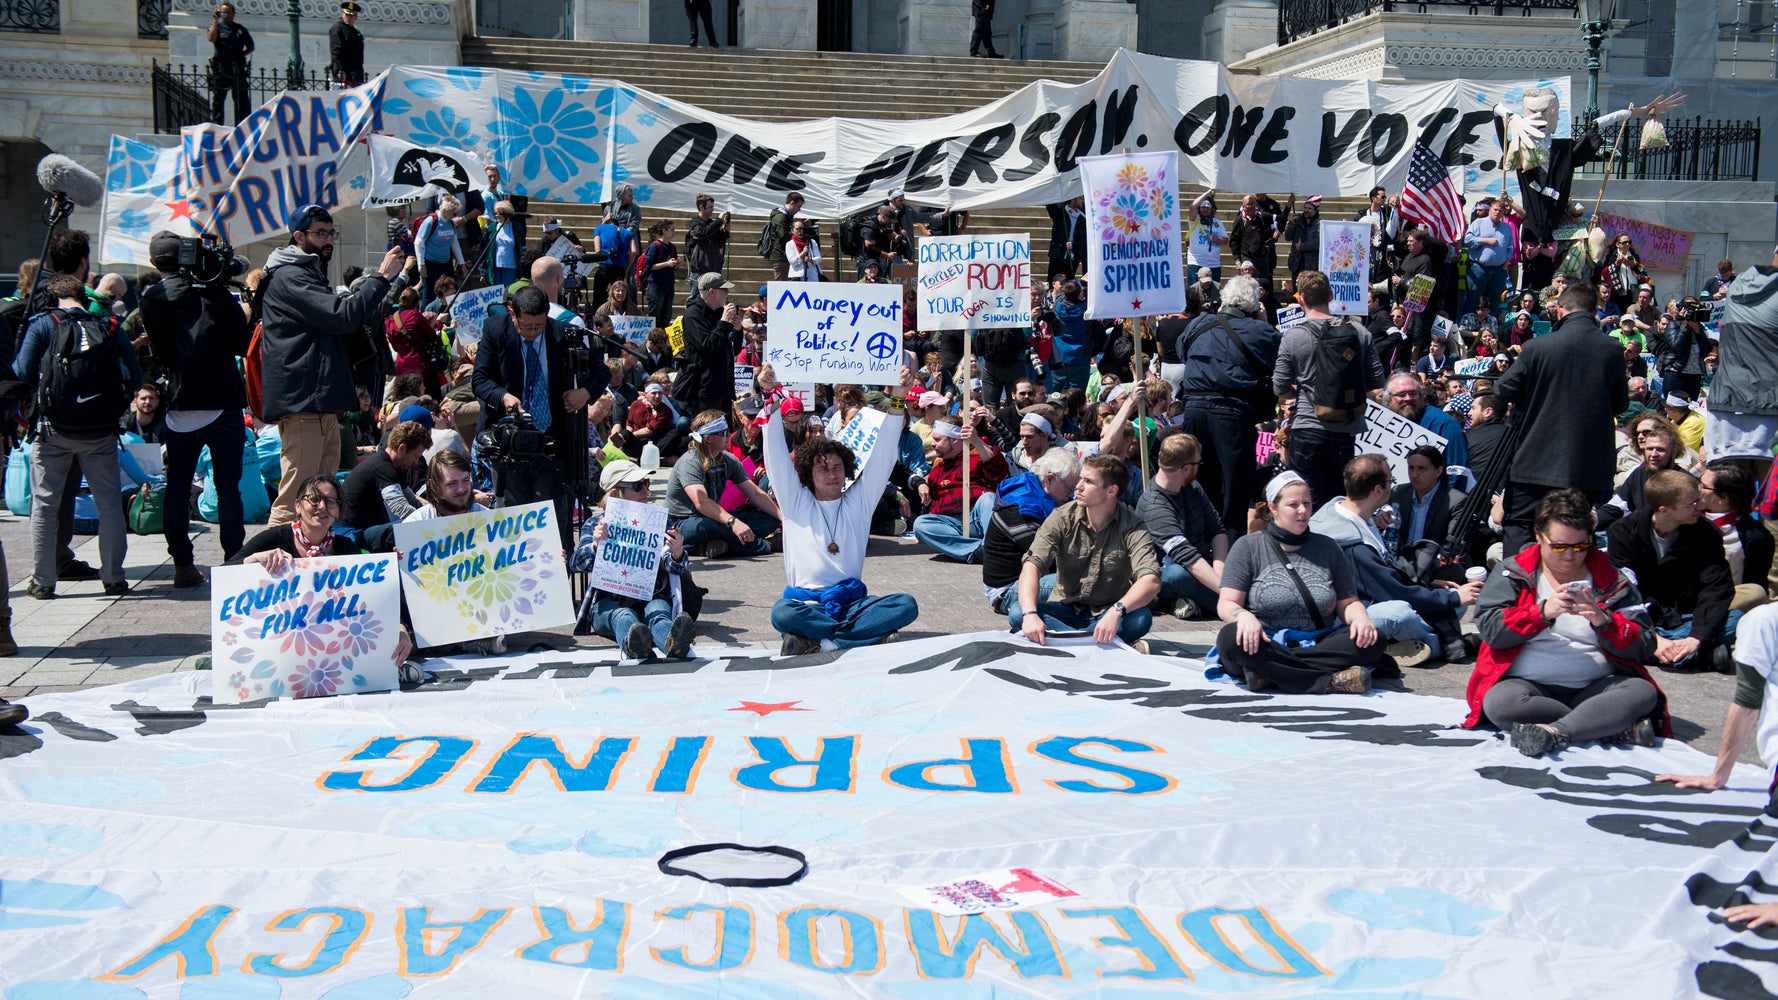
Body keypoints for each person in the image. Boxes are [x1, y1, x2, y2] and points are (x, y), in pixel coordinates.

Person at [1464, 488, 1664, 756]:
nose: (1570, 555)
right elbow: (1491, 631)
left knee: (1642, 692)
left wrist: (1605, 622)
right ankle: (1601, 724)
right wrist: (1542, 613)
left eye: (1581, 546)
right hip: (1527, 686)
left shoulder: (1612, 578)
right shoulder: (1513, 571)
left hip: (1598, 684)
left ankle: (1558, 731)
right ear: (1538, 535)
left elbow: (1645, 645)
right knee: (1499, 705)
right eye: (1558, 546)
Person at [260, 206, 404, 527]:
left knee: (323, 494)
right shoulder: (290, 276)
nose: (328, 240)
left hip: (321, 400)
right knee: (296, 496)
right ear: (298, 237)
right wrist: (380, 278)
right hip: (304, 400)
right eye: (320, 233)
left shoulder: (308, 271)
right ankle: (274, 567)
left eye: (330, 232)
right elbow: (342, 316)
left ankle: (317, 558)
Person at [13, 273, 141, 599]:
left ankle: (43, 581)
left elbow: (21, 372)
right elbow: (135, 376)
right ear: (84, 298)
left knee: (44, 505)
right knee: (109, 504)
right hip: (100, 433)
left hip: (53, 430)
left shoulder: (43, 324)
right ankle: (113, 577)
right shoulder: (109, 326)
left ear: (55, 298)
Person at [762, 396, 918, 653]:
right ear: (808, 474)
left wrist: (898, 400)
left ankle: (823, 642)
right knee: (782, 613)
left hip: (851, 603)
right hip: (806, 605)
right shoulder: (794, 502)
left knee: (905, 605)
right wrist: (773, 410)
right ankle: (860, 635)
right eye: (823, 469)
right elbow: (776, 460)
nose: (832, 474)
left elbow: (884, 457)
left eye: (837, 467)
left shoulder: (859, 502)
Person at [139, 231, 251, 585]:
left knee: (177, 485)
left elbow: (160, 349)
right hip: (221, 401)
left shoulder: (151, 298)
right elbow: (241, 340)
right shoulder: (212, 293)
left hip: (179, 402)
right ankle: (234, 560)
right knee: (228, 488)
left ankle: (182, 565)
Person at [1215, 472, 1385, 694]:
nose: (1303, 511)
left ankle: (1270, 674)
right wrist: (1243, 616)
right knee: (1230, 640)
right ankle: (1329, 681)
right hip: (1265, 640)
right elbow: (1226, 603)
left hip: (1318, 643)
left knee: (1374, 639)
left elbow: (1347, 603)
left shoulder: (1328, 548)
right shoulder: (1247, 547)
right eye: (1293, 505)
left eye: (1307, 503)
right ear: (1273, 508)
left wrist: (1361, 617)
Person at [1493, 281, 1628, 555]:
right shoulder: (1611, 349)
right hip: (1586, 468)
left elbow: (1503, 389)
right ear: (1594, 312)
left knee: (1520, 533)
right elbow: (1620, 403)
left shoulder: (1538, 347)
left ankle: (1519, 594)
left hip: (1535, 461)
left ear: (1559, 309)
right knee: (1572, 542)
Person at [1311, 453, 1482, 667]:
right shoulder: (1354, 544)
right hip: (1338, 618)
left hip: (1366, 596)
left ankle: (1400, 642)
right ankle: (1447, 645)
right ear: (1377, 490)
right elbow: (1393, 591)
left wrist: (1433, 588)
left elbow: (1387, 573)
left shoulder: (1340, 508)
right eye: (1390, 481)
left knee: (1452, 601)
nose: (1395, 485)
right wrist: (1452, 598)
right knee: (1401, 613)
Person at [471, 286, 604, 549]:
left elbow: (601, 372)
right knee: (513, 520)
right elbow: (480, 379)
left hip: (553, 442)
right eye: (527, 326)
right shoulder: (495, 330)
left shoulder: (562, 333)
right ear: (513, 315)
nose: (533, 332)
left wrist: (584, 393)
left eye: (539, 326)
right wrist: (504, 397)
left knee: (553, 519)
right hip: (511, 442)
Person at [1012, 453, 1161, 650]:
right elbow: (1032, 565)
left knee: (1141, 619)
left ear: (1111, 490)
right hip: (1064, 607)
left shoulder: (1133, 526)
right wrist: (1030, 615)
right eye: (1080, 479)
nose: (1078, 486)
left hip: (1108, 611)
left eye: (1088, 481)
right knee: (1017, 612)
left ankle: (1068, 639)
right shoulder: (1062, 517)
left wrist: (1117, 611)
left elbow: (1151, 579)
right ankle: (1103, 642)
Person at [1273, 269, 1386, 506]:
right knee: (1338, 502)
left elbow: (1279, 385)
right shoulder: (1359, 333)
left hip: (1307, 426)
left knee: (1305, 503)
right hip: (1346, 428)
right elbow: (1377, 379)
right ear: (1331, 295)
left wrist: (1298, 391)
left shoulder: (1293, 336)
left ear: (1300, 299)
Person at [1607, 469, 1738, 672]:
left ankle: (1664, 651)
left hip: (1685, 616)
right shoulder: (1623, 532)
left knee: (1736, 619)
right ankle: (1689, 654)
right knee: (1609, 625)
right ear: (1665, 510)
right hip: (1642, 615)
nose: (1700, 506)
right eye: (1692, 503)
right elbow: (1624, 589)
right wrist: (1653, 636)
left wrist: (1696, 637)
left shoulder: (1705, 532)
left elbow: (1717, 586)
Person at [1177, 274, 1280, 530]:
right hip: (1232, 414)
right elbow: (1278, 365)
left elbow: (1182, 353)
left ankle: (1204, 541)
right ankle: (1229, 548)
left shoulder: (1198, 323)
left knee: (1200, 480)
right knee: (1235, 487)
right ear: (1256, 305)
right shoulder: (1263, 332)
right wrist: (1264, 322)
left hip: (1196, 411)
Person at [570, 459, 699, 658]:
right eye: (638, 486)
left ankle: (675, 644)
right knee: (623, 616)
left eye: (646, 484)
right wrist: (596, 546)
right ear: (615, 493)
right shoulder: (595, 523)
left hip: (650, 594)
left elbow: (674, 566)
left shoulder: (657, 521)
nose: (645, 491)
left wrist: (677, 552)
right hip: (608, 601)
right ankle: (636, 646)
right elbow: (576, 562)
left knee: (659, 615)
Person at [1137, 433, 1229, 620]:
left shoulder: (1193, 487)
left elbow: (1217, 530)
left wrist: (1221, 573)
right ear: (1186, 468)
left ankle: (1195, 600)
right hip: (1170, 571)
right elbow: (1187, 558)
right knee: (1178, 575)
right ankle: (1237, 606)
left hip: (1203, 564)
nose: (1199, 467)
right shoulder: (1155, 506)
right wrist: (1227, 592)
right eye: (1198, 463)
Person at [666, 409, 780, 557]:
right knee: (709, 526)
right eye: (723, 433)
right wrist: (734, 523)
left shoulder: (728, 459)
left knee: (769, 520)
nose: (729, 436)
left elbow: (755, 494)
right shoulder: (690, 461)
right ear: (708, 438)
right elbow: (702, 503)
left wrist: (784, 518)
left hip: (714, 515)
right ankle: (766, 545)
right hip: (682, 522)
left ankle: (709, 546)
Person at [982, 448, 1080, 616]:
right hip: (1007, 591)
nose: (1072, 495)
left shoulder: (1038, 495)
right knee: (1084, 581)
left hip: (1029, 579)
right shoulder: (1022, 508)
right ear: (1049, 479)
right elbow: (1051, 557)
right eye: (1069, 489)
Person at [912, 413, 1007, 564]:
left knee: (987, 498)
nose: (933, 444)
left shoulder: (977, 455)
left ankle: (994, 548)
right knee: (920, 524)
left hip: (977, 518)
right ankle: (976, 551)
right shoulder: (937, 468)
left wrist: (975, 440)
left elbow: (998, 471)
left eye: (937, 440)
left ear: (955, 439)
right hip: (952, 524)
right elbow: (932, 507)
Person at [340, 417, 430, 548]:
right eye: (415, 456)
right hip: (355, 532)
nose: (416, 462)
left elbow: (412, 500)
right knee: (410, 526)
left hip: (369, 527)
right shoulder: (383, 468)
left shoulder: (394, 467)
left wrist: (431, 513)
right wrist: (429, 524)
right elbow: (401, 509)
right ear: (402, 449)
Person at [673, 272, 741, 418]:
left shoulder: (718, 312)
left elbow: (734, 348)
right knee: (708, 432)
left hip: (722, 386)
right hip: (703, 388)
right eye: (723, 289)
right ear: (711, 291)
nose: (727, 293)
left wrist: (737, 329)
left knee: (724, 433)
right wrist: (723, 323)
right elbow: (707, 346)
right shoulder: (693, 314)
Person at [1384, 373, 1468, 471]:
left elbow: (1458, 471)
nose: (1408, 398)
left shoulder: (1445, 425)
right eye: (1401, 394)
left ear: (1421, 395)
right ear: (1388, 398)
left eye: (1413, 393)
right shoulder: (1379, 422)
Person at [1461, 199, 1515, 316]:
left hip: (1498, 270)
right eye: (1495, 210)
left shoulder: (1506, 228)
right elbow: (1467, 239)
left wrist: (1507, 261)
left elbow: (1511, 247)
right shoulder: (1479, 223)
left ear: (1503, 213)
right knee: (1474, 298)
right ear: (1490, 210)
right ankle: (1468, 327)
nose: (1497, 213)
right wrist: (1484, 241)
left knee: (1494, 300)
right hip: (1479, 268)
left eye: (1500, 211)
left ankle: (1490, 328)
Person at [206, 2, 254, 125]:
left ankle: (243, 122)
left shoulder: (240, 29)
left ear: (233, 14)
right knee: (219, 96)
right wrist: (215, 21)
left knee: (240, 96)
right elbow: (211, 38)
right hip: (221, 66)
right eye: (223, 12)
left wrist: (240, 55)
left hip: (237, 66)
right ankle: (217, 123)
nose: (225, 15)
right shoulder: (217, 27)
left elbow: (251, 47)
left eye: (228, 13)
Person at [414, 196, 464, 302]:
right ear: (447, 210)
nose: (455, 216)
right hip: (430, 263)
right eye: (454, 213)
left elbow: (455, 244)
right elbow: (418, 242)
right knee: (429, 293)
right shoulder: (430, 221)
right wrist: (421, 264)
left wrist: (462, 263)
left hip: (446, 263)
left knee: (450, 291)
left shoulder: (451, 223)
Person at [637, 220, 681, 330]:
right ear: (664, 231)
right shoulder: (655, 246)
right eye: (671, 230)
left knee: (666, 315)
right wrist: (667, 263)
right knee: (655, 316)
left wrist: (675, 264)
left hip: (668, 285)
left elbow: (672, 266)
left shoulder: (672, 247)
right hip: (656, 286)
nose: (674, 232)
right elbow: (649, 266)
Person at [1185, 190, 1229, 285]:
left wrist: (1215, 238)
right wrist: (1207, 194)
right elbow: (1192, 207)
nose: (1205, 209)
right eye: (1203, 207)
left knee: (1214, 292)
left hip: (1214, 263)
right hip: (1196, 262)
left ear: (1211, 209)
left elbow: (1225, 240)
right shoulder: (1195, 220)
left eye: (1207, 207)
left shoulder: (1218, 222)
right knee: (1193, 293)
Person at [685, 194, 729, 287]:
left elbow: (720, 244)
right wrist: (718, 220)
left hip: (714, 269)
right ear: (701, 207)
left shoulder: (712, 224)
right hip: (699, 270)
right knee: (697, 299)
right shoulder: (695, 223)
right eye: (710, 207)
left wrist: (725, 231)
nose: (712, 209)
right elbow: (702, 233)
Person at [764, 192, 803, 282]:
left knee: (785, 282)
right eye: (799, 206)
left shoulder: (787, 216)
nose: (799, 209)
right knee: (781, 283)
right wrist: (796, 232)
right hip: (780, 255)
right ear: (792, 203)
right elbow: (783, 236)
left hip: (784, 254)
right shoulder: (780, 217)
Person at [1284, 195, 1322, 284]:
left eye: (1309, 209)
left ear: (1315, 211)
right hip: (1296, 264)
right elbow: (1287, 237)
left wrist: (1302, 246)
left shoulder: (1319, 224)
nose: (1306, 210)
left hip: (1310, 265)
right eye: (1305, 208)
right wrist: (1292, 224)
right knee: (1296, 293)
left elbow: (1318, 242)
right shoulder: (1297, 221)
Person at [328, 1, 366, 86]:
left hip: (356, 72)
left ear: (356, 17)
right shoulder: (338, 29)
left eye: (351, 15)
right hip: (345, 72)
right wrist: (340, 69)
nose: (349, 18)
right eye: (347, 15)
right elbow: (336, 50)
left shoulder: (354, 30)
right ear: (343, 14)